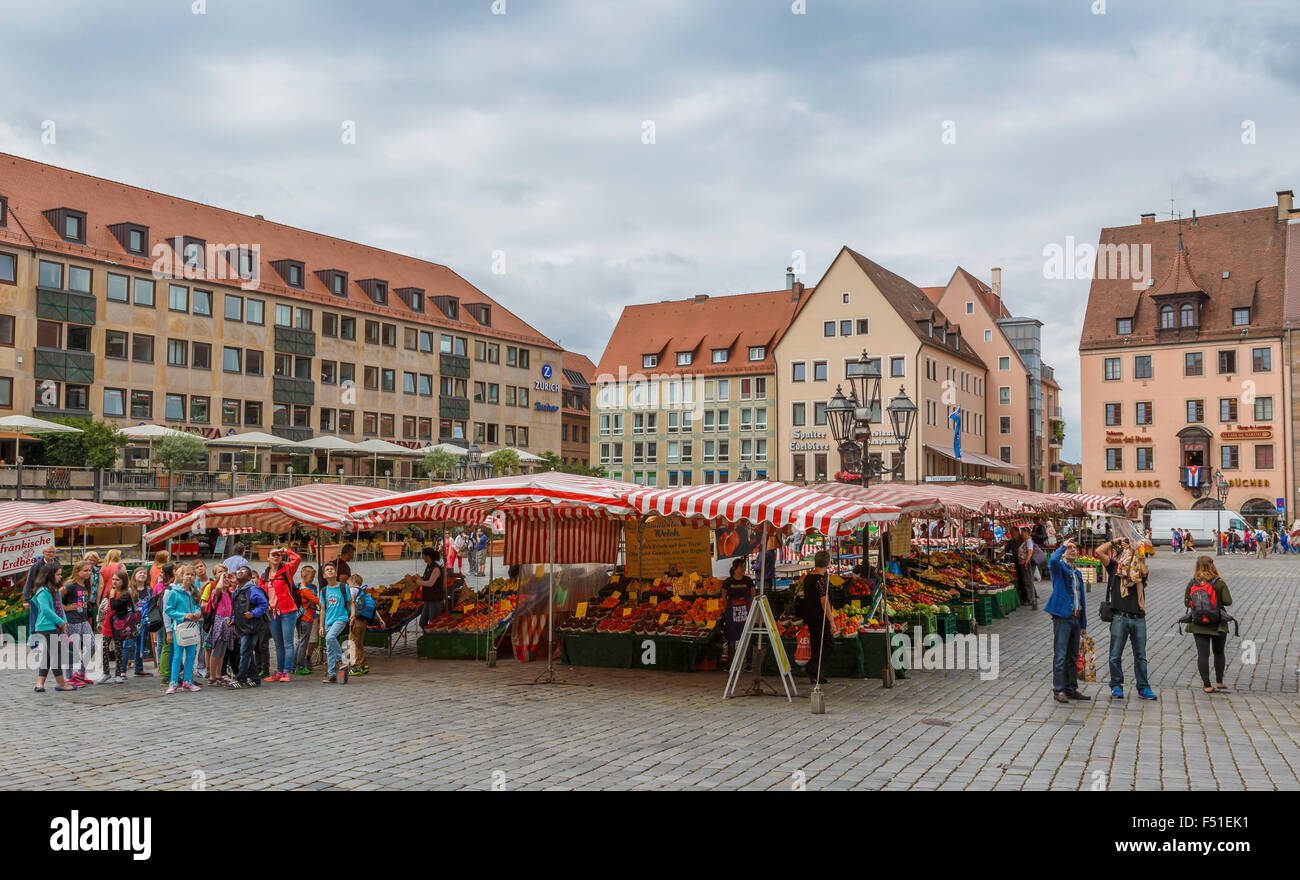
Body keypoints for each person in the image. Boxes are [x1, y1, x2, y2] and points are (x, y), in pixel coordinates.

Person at [1096, 539, 1156, 700]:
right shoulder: (1115, 567)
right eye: (1125, 553)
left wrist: (1138, 551)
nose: (1128, 555)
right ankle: (1116, 685)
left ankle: (1143, 687)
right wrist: (1114, 541)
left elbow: (1143, 572)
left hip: (1138, 617)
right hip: (1119, 617)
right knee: (1115, 655)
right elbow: (1099, 552)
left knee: (1141, 656)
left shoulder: (1139, 568)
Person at [1045, 539, 1089, 704]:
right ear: (1063, 551)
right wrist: (1063, 545)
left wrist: (1083, 624)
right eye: (1069, 548)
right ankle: (1059, 689)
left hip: (1076, 617)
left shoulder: (1077, 573)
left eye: (1075, 548)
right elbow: (1052, 560)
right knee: (1061, 655)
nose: (1073, 550)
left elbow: (1081, 598)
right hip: (1063, 617)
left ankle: (1071, 689)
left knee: (1072, 656)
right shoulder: (1059, 568)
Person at [1185, 556, 1233, 694]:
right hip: (1217, 623)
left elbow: (1187, 602)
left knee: (1202, 654)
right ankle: (1219, 681)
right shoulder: (1219, 583)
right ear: (1212, 566)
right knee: (1219, 653)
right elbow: (1228, 601)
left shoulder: (1193, 582)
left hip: (1198, 624)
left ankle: (1207, 685)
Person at [31, 564, 78, 693]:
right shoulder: (42, 591)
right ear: (50, 576)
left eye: (60, 574)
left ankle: (39, 684)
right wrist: (60, 622)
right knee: (55, 655)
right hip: (47, 627)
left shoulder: (55, 590)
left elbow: (59, 609)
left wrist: (64, 623)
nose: (60, 576)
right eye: (58, 574)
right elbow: (46, 610)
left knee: (48, 655)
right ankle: (60, 683)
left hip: (56, 626)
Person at [262, 545, 302, 682]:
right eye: (273, 554)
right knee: (278, 643)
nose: (276, 556)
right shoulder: (264, 576)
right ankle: (279, 671)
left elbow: (297, 558)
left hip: (288, 611)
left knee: (288, 643)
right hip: (273, 612)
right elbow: (262, 595)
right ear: (267, 558)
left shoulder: (286, 570)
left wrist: (286, 551)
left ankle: (286, 672)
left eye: (278, 555)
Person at [800, 550, 839, 685]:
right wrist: (832, 621)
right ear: (827, 563)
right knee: (829, 645)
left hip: (810, 616)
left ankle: (817, 674)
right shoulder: (820, 581)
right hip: (820, 618)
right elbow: (824, 602)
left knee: (817, 645)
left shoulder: (809, 577)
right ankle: (812, 667)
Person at [164, 564, 203, 694]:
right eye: (187, 574)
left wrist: (197, 612)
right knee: (177, 655)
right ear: (182, 576)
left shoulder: (195, 592)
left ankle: (188, 681)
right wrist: (183, 615)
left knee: (191, 654)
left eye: (192, 575)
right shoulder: (174, 593)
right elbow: (169, 610)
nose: (190, 577)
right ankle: (173, 682)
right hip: (180, 627)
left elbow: (198, 606)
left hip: (192, 627)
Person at [229, 565, 269, 688]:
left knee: (245, 651)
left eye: (243, 571)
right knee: (247, 652)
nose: (240, 572)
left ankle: (241, 679)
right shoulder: (236, 591)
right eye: (238, 571)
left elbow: (264, 605)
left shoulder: (254, 590)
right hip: (242, 626)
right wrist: (234, 619)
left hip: (253, 626)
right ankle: (255, 678)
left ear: (249, 577)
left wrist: (253, 614)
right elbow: (237, 609)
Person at [61, 560, 97, 687]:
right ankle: (68, 677)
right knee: (72, 650)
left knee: (92, 646)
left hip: (83, 619)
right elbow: (55, 597)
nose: (89, 573)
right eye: (86, 570)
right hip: (72, 621)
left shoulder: (85, 585)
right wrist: (65, 608)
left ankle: (80, 672)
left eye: (90, 570)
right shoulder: (70, 586)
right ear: (77, 571)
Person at [317, 562, 352, 683]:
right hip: (328, 621)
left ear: (336, 573)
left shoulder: (343, 587)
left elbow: (351, 602)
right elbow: (322, 609)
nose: (330, 571)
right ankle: (331, 674)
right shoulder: (323, 591)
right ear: (324, 575)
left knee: (330, 637)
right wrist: (321, 626)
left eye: (332, 569)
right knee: (329, 648)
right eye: (327, 570)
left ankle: (341, 660)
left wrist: (352, 614)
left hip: (341, 618)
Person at [204, 570, 237, 685]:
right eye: (224, 579)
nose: (227, 580)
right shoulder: (216, 592)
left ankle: (218, 675)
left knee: (222, 652)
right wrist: (221, 577)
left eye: (228, 579)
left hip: (227, 624)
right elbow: (218, 589)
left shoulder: (229, 593)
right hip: (218, 624)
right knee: (216, 651)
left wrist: (231, 579)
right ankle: (212, 677)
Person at [721, 558, 755, 672]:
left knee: (747, 637)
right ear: (735, 568)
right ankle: (731, 664)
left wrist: (750, 607)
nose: (743, 569)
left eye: (744, 566)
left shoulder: (748, 581)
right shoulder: (728, 582)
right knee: (731, 638)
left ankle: (749, 664)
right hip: (732, 613)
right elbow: (724, 595)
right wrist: (728, 607)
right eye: (741, 566)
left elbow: (753, 595)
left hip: (745, 612)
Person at [348, 574, 385, 675]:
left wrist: (351, 614)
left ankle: (355, 667)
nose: (348, 585)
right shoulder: (365, 593)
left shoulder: (353, 591)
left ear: (353, 582)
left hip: (356, 620)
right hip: (364, 621)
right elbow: (373, 608)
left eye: (348, 583)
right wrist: (380, 620)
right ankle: (363, 665)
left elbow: (350, 602)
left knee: (352, 642)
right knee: (359, 643)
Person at [106, 567, 139, 681]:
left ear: (123, 581)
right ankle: (106, 673)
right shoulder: (110, 591)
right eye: (113, 579)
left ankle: (118, 673)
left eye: (117, 580)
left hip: (120, 625)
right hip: (108, 624)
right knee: (105, 649)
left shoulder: (125, 594)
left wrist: (111, 595)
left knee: (119, 649)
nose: (114, 582)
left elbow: (114, 605)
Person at [293, 564, 320, 675]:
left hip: (299, 618)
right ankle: (299, 666)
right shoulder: (306, 590)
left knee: (300, 642)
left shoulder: (298, 588)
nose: (312, 580)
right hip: (307, 618)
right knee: (303, 642)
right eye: (311, 577)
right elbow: (318, 601)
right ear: (304, 576)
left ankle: (294, 665)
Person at [130, 566, 156, 676]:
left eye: (144, 573)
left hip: (144, 621)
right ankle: (122, 670)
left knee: (141, 644)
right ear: (134, 575)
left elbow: (152, 604)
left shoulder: (149, 590)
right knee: (130, 644)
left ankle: (138, 668)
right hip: (133, 621)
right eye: (140, 573)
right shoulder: (130, 590)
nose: (142, 574)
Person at [416, 547, 446, 631]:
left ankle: (432, 638)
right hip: (429, 599)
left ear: (427, 556)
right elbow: (426, 580)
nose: (422, 557)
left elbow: (430, 583)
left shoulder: (435, 568)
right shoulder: (429, 566)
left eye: (423, 555)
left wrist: (417, 581)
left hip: (435, 599)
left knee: (433, 622)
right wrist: (419, 579)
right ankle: (428, 635)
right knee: (422, 622)